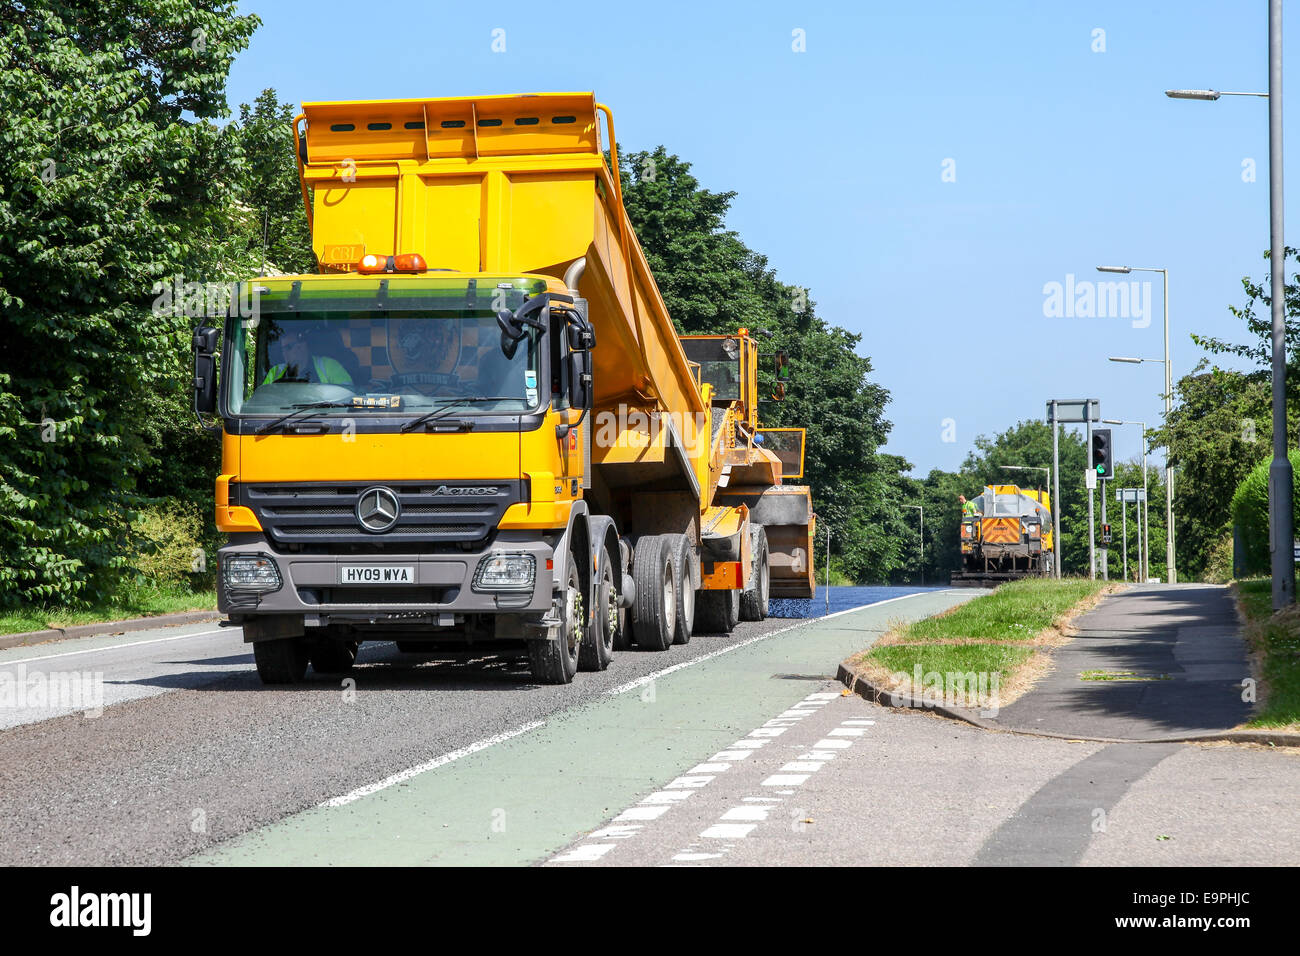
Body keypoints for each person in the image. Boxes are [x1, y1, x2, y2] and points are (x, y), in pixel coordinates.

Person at [263, 324, 354, 386]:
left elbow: (347, 394)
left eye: (288, 347)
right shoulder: (275, 371)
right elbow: (263, 400)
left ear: (302, 346)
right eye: (282, 349)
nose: (284, 352)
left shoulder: (329, 366)